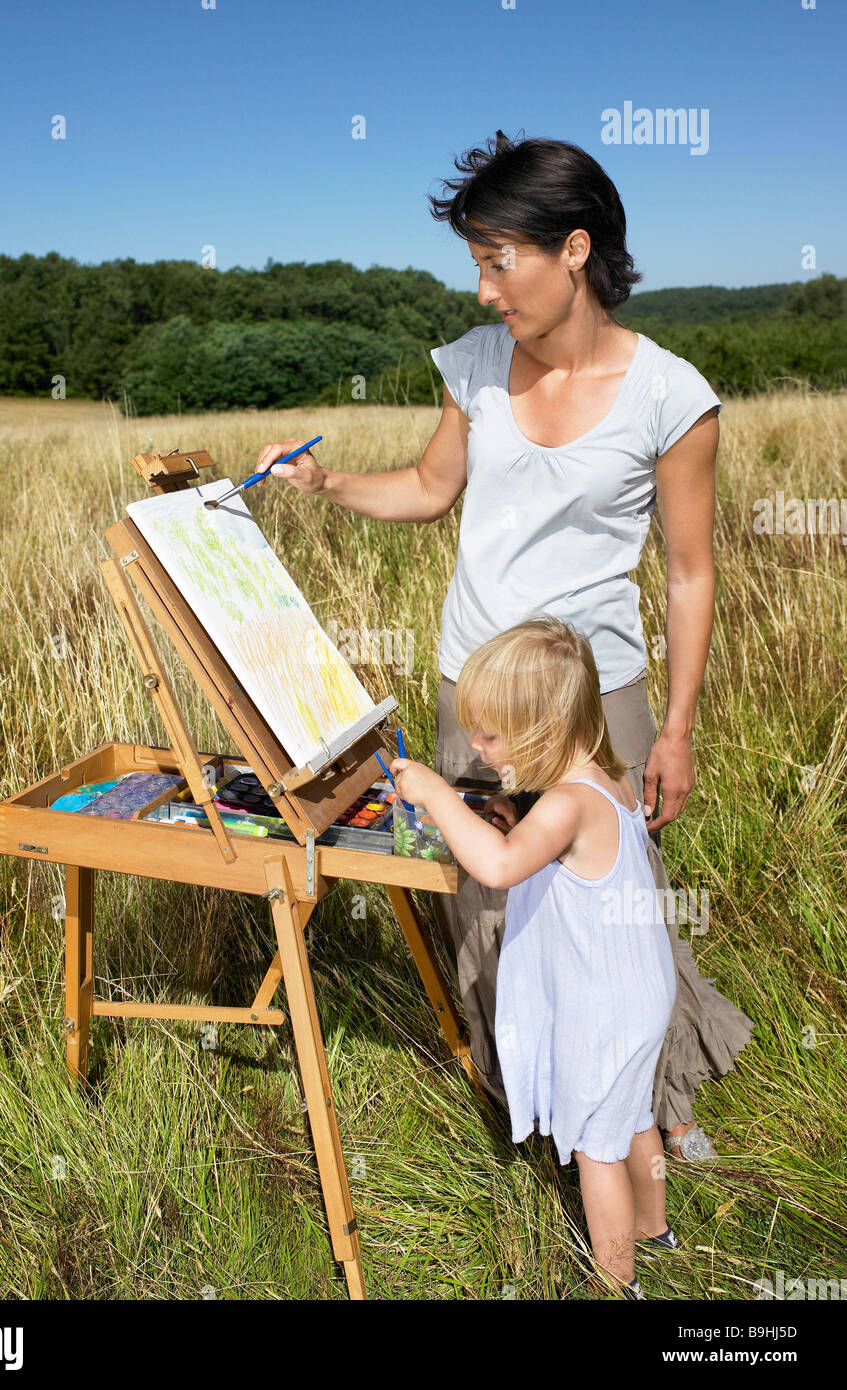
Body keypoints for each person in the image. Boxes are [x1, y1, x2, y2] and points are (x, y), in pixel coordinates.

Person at [255, 129, 753, 1160]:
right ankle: (533, 1089)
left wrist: (681, 729)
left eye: (498, 261)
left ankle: (658, 1102)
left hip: (595, 697)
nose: (484, 291)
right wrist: (327, 484)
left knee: (613, 907)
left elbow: (694, 571)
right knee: (489, 898)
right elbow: (434, 489)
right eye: (474, 262)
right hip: (478, 687)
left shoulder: (671, 394)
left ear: (573, 250)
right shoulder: (475, 366)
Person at [389, 615, 678, 1300]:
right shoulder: (602, 783)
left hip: (604, 1009)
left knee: (593, 1148)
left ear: (545, 731)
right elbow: (550, 855)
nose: (480, 749)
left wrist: (434, 793)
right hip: (636, 995)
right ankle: (655, 1228)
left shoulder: (566, 805)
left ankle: (617, 1283)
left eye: (490, 735)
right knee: (632, 1116)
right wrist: (514, 817)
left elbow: (495, 868)